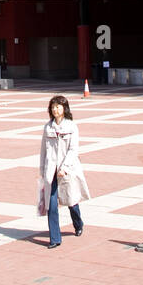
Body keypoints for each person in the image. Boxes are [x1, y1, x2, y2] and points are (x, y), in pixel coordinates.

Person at [38, 95, 88, 248]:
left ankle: (78, 223)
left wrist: (65, 168)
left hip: (68, 170)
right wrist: (42, 170)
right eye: (53, 107)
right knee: (51, 205)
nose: (55, 110)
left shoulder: (72, 126)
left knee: (71, 201)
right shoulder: (48, 127)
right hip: (51, 171)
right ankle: (55, 238)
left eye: (58, 107)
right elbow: (43, 151)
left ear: (64, 109)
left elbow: (73, 150)